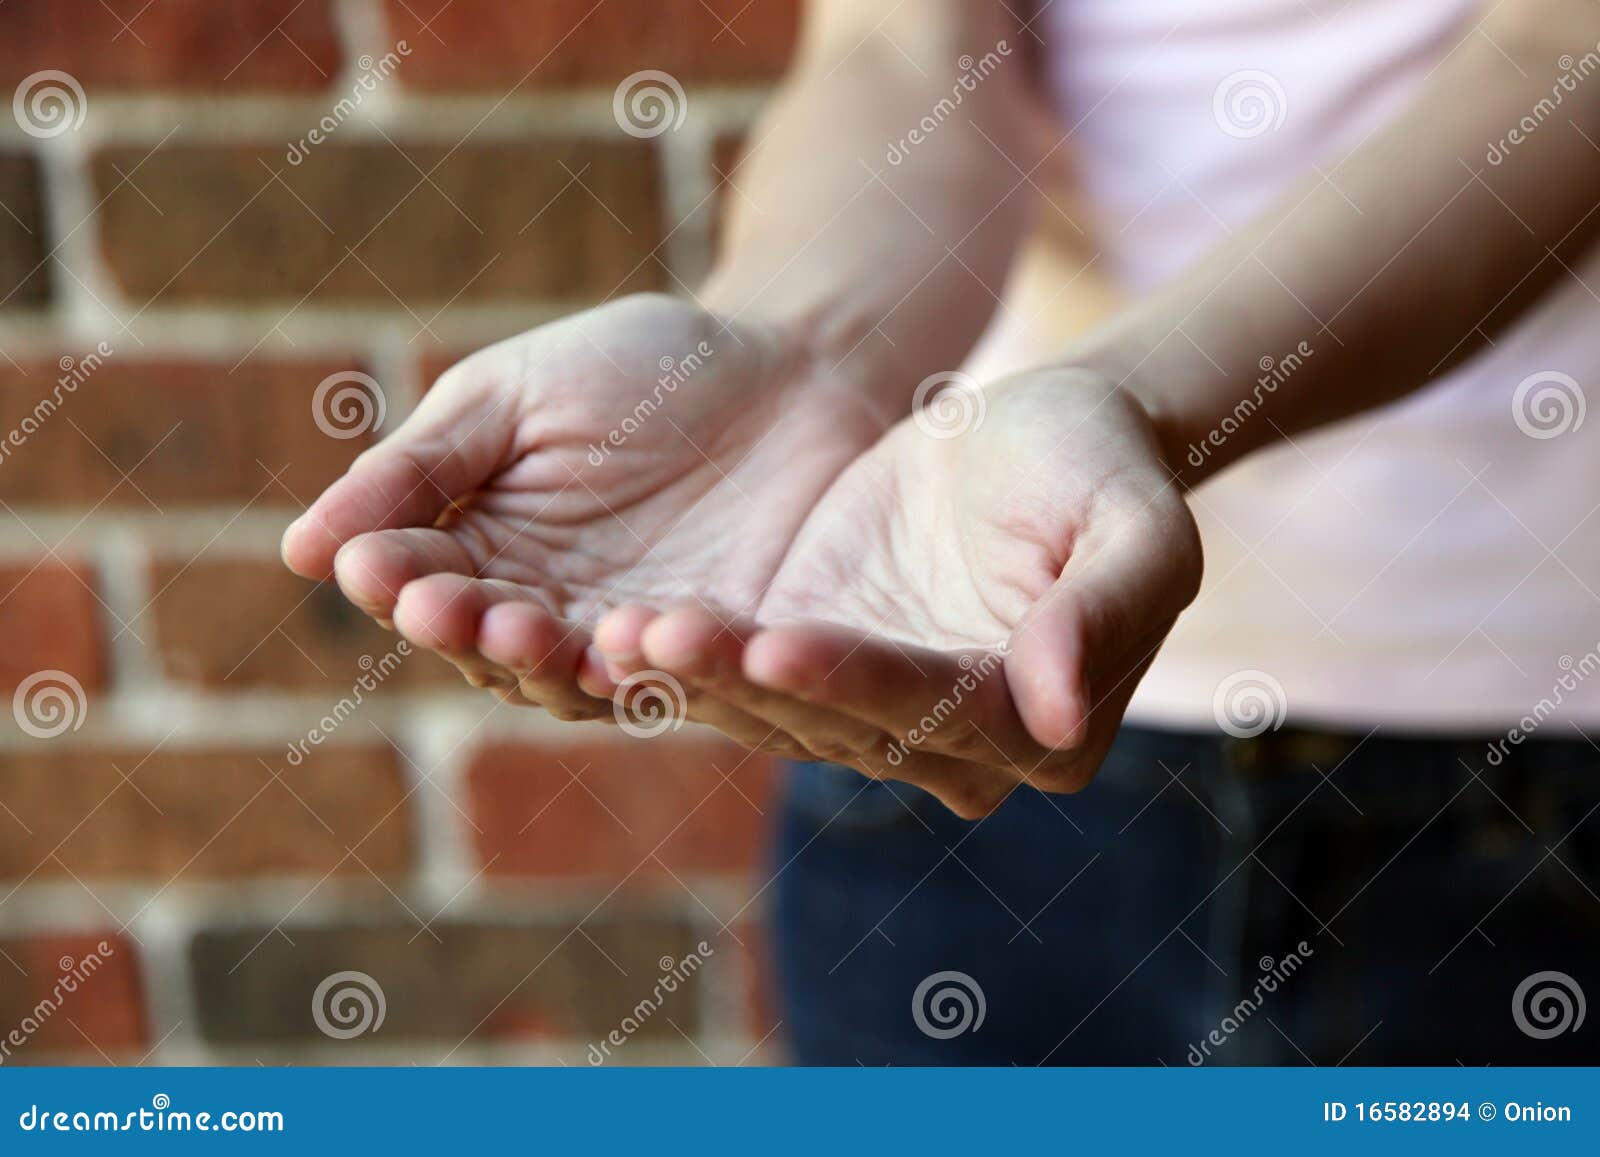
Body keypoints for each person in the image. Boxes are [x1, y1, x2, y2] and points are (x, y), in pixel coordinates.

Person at [282, 0, 1600, 1064]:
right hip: (935, 666)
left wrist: (1133, 397)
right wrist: (794, 348)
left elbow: (1561, 59)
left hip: (1521, 774)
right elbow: (901, 42)